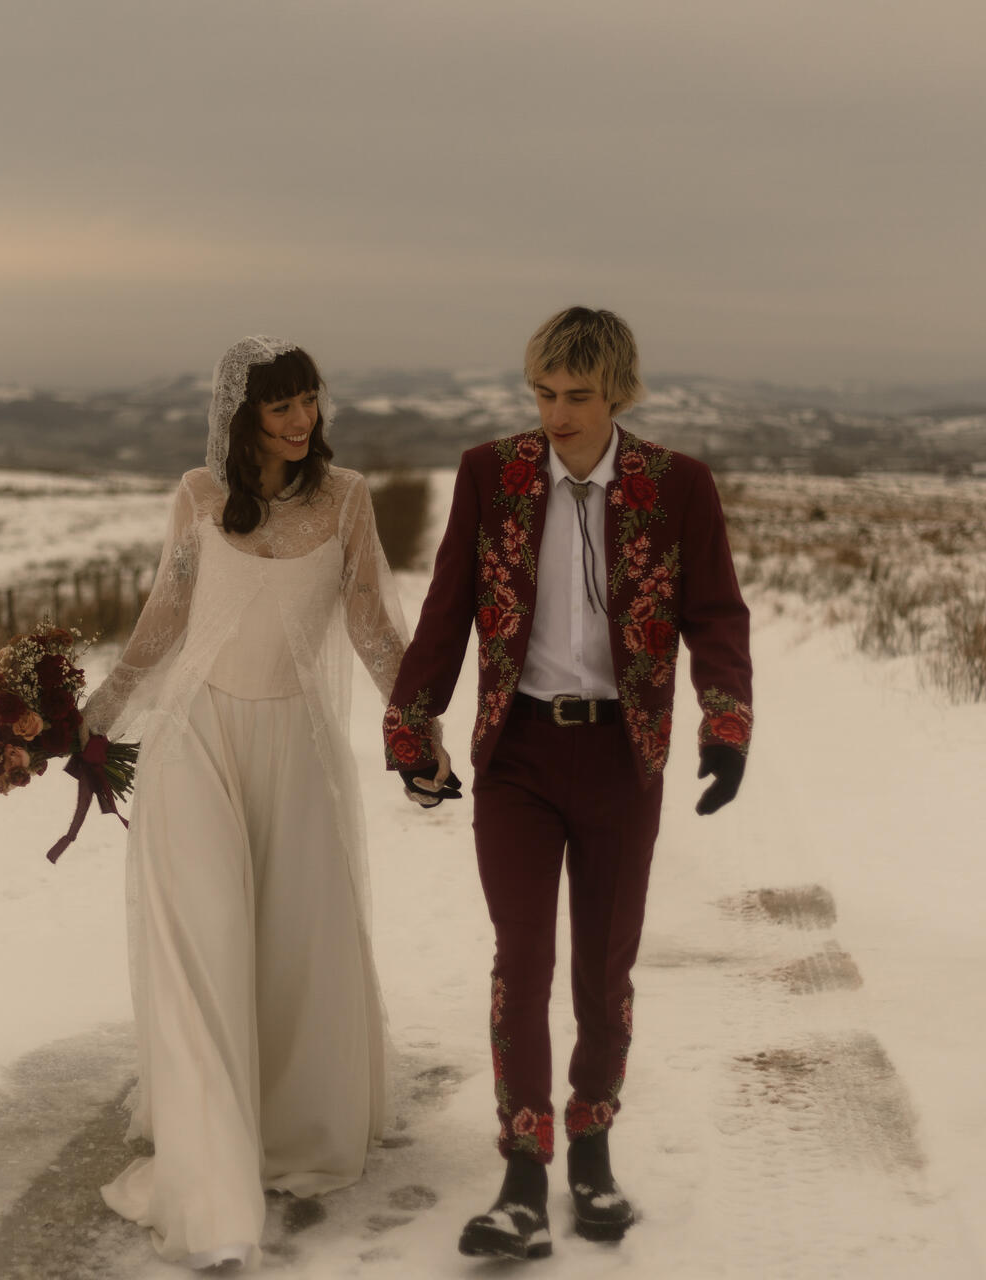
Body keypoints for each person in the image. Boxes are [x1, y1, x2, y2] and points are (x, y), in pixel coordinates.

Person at [383, 306, 752, 1261]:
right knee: (522, 957)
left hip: (622, 761)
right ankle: (521, 1172)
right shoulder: (490, 475)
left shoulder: (680, 489)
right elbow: (449, 605)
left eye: (577, 396)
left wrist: (725, 722)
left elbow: (716, 614)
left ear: (618, 393)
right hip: (520, 755)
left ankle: (590, 1144)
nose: (557, 414)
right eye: (543, 394)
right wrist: (410, 723)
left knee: (602, 966)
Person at [81, 336, 441, 1271]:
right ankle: (210, 1175)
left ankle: (288, 1127)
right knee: (204, 941)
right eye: (278, 406)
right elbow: (163, 619)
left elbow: (371, 625)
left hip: (296, 747)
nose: (299, 420)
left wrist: (416, 736)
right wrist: (92, 718)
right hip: (195, 740)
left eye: (309, 401)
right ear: (240, 415)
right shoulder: (199, 498)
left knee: (291, 943)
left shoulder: (348, 497)